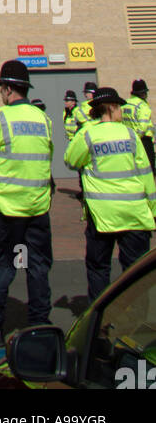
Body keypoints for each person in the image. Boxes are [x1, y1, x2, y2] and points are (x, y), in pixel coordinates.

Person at [0, 59, 53, 347]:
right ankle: (40, 323)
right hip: (37, 208)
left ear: (6, 89)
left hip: (5, 211)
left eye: (1, 87)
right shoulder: (43, 119)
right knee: (36, 265)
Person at [65, 85, 156, 301]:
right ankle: (132, 322)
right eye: (120, 108)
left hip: (102, 215)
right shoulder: (130, 134)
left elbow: (70, 160)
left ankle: (100, 322)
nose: (121, 112)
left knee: (99, 269)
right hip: (134, 214)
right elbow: (146, 176)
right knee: (135, 274)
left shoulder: (88, 134)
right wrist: (153, 209)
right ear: (112, 107)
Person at [123, 79, 155, 173]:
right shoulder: (142, 106)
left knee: (134, 168)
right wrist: (138, 137)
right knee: (148, 169)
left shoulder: (125, 104)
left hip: (128, 140)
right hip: (143, 141)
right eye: (144, 92)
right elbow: (143, 127)